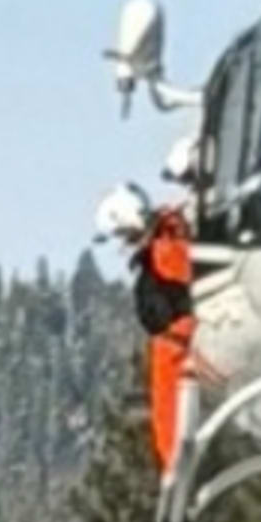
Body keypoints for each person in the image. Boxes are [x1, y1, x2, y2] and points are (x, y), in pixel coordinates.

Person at [101, 186, 196, 475]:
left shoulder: (167, 249)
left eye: (124, 235)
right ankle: (175, 464)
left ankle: (177, 467)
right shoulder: (170, 239)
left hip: (180, 349)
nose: (126, 245)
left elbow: (190, 290)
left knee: (172, 414)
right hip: (180, 345)